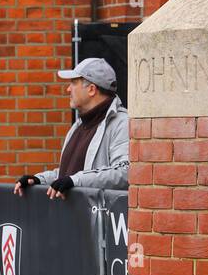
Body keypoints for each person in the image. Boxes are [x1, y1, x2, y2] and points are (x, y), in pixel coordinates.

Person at [13, 57, 129, 199]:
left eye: (74, 83)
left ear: (92, 89)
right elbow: (67, 174)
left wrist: (75, 181)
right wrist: (39, 180)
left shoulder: (122, 123)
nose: (68, 89)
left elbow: (125, 172)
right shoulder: (79, 125)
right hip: (71, 218)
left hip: (95, 219)